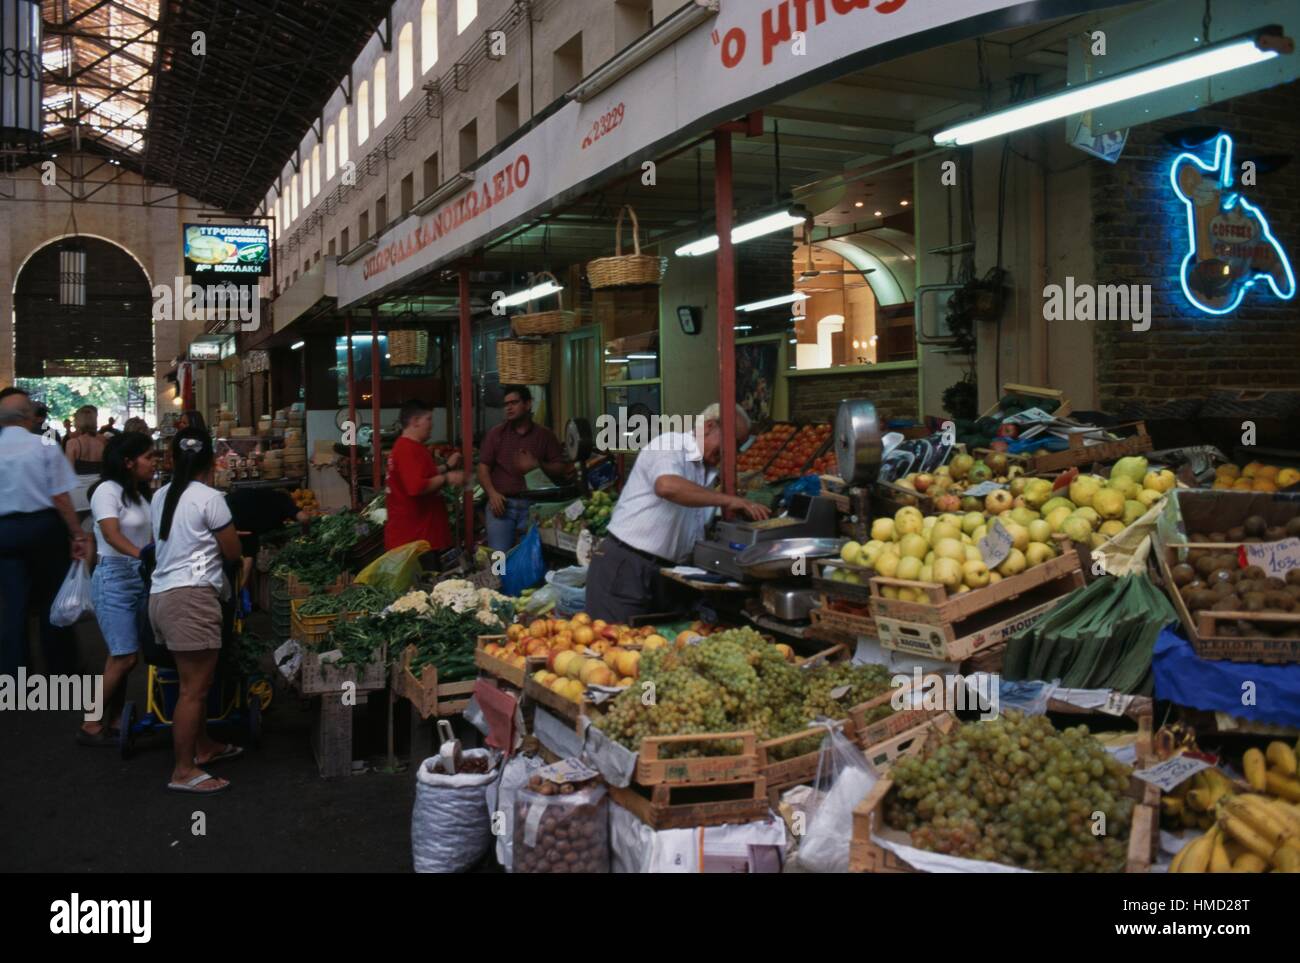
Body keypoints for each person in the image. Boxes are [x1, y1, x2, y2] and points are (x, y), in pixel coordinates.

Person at [584, 403, 771, 623]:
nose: (733, 453)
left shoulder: (706, 472)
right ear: (709, 426)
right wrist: (729, 500)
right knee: (614, 646)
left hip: (667, 575)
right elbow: (667, 486)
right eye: (733, 443)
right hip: (628, 567)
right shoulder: (670, 445)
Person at [148, 428, 243, 795]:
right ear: (211, 460)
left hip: (162, 596)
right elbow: (232, 552)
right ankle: (183, 771)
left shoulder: (160, 496)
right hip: (190, 598)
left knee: (194, 686)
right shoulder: (210, 498)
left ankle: (203, 746)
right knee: (193, 690)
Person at [0, 389, 90, 675]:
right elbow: (60, 497)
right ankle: (60, 667)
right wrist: (77, 533)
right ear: (28, 417)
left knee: (12, 604)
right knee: (53, 596)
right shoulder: (44, 446)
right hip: (43, 528)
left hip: (4, 531)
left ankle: (13, 673)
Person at [79, 433, 157, 746]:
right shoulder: (106, 491)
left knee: (124, 655)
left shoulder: (138, 494)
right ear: (128, 462)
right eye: (149, 457)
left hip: (139, 577)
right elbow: (110, 535)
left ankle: (112, 720)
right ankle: (90, 724)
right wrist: (142, 554)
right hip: (114, 579)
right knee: (124, 657)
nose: (154, 462)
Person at [477, 385, 571, 550]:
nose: (509, 407)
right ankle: (497, 576)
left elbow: (561, 468)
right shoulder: (496, 434)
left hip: (534, 507)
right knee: (498, 555)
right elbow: (483, 467)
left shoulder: (545, 435)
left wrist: (538, 465)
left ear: (527, 405)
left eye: (514, 403)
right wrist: (492, 494)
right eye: (506, 404)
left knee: (531, 556)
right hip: (502, 505)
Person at [385, 400, 464, 551]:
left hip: (419, 537)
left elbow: (422, 474)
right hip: (415, 541)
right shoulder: (407, 449)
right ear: (415, 421)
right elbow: (416, 487)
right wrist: (447, 478)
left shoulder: (411, 447)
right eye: (428, 419)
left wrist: (446, 466)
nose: (432, 424)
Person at [225, 486, 310, 592]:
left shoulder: (263, 493)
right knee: (248, 556)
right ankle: (238, 592)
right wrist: (306, 537)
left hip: (227, 506)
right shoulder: (283, 500)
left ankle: (233, 590)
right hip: (244, 519)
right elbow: (305, 519)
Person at [65, 405, 106, 474]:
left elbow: (68, 471)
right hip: (100, 483)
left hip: (79, 483)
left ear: (78, 422)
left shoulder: (72, 443)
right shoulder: (103, 441)